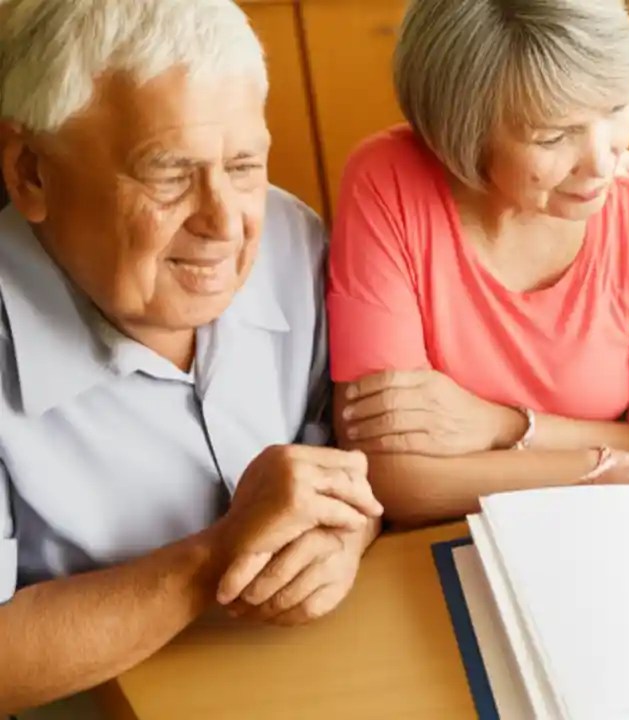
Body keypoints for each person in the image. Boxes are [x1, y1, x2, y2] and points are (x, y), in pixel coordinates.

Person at [0, 1, 383, 714]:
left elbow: (348, 448)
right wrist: (215, 556)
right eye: (169, 174)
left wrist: (348, 531)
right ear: (30, 173)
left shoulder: (294, 239)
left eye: (243, 166)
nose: (224, 223)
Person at [326, 0, 629, 526]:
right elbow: (396, 481)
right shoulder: (388, 183)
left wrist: (505, 427)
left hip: (616, 527)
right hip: (440, 545)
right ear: (461, 131)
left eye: (616, 108)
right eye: (553, 136)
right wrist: (601, 466)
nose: (603, 161)